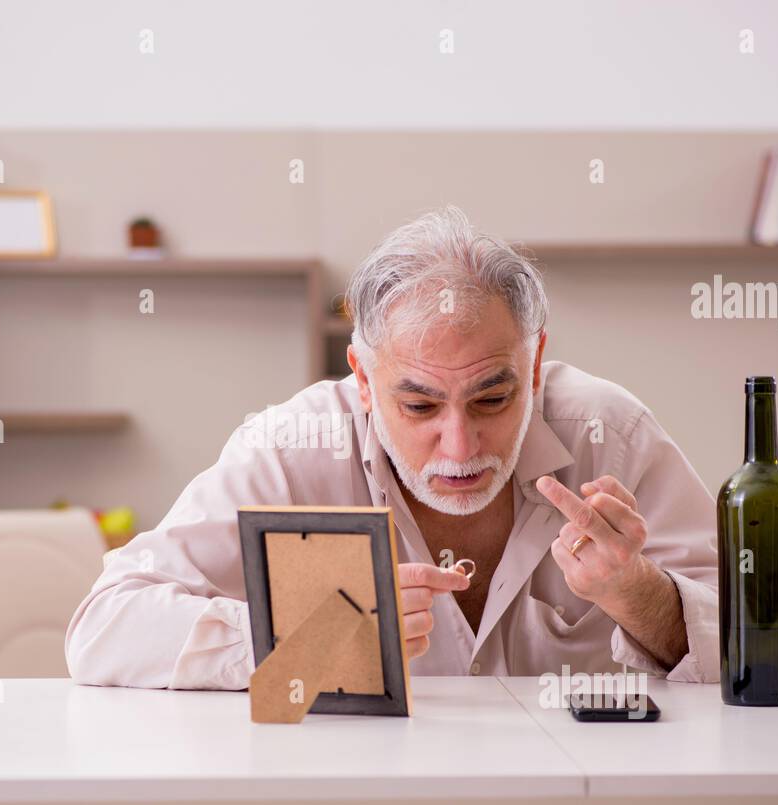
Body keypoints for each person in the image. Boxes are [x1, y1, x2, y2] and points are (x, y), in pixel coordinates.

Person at [66, 206, 718, 689]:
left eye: (493, 398)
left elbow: (763, 647)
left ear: (537, 359)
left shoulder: (613, 435)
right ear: (363, 378)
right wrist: (301, 634)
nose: (460, 445)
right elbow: (105, 625)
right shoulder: (293, 445)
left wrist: (639, 593)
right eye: (420, 405)